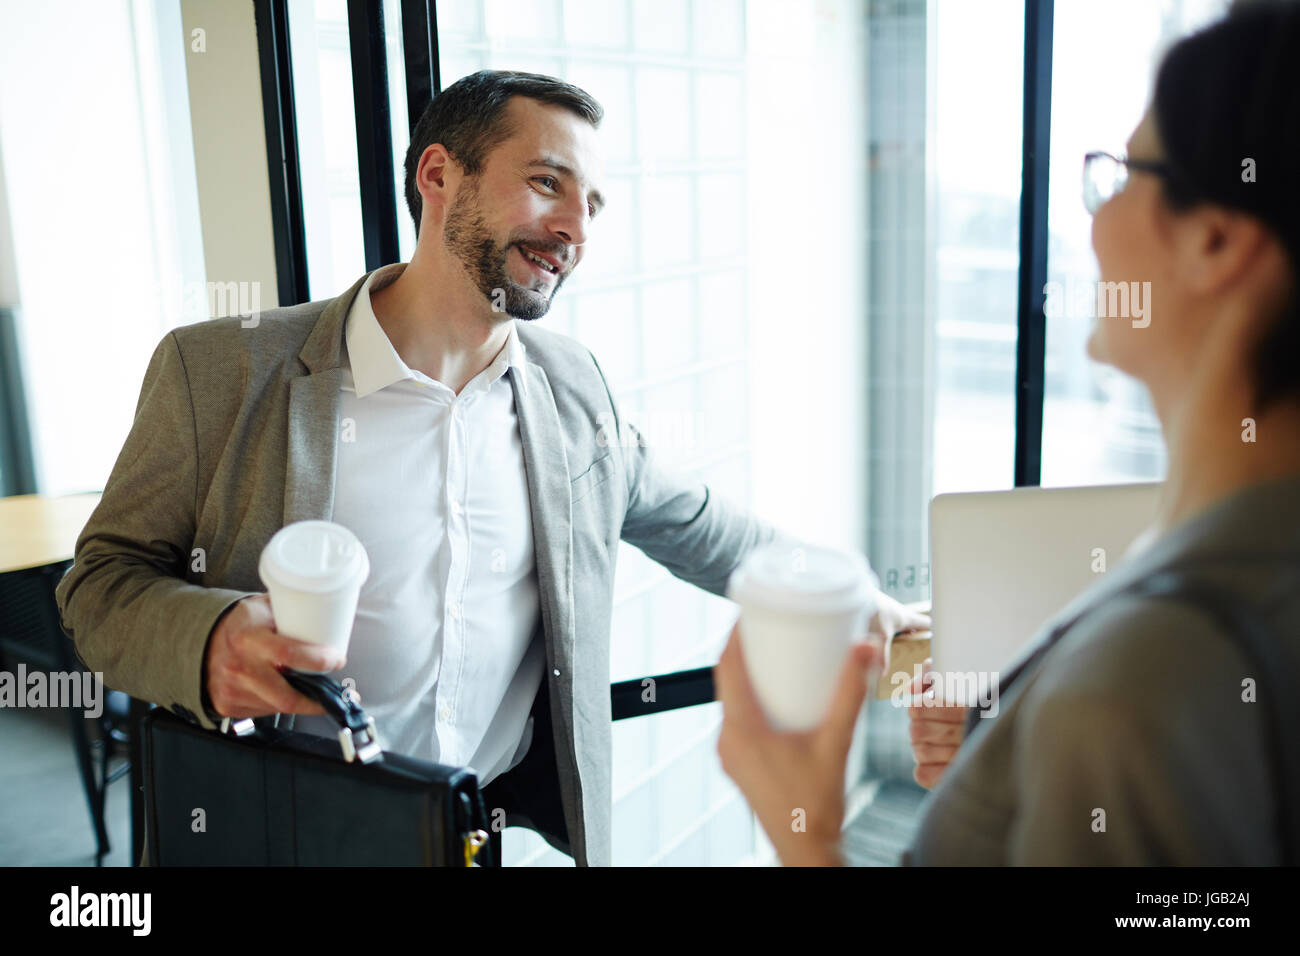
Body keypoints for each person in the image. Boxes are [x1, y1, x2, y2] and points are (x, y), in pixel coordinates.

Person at [55, 69, 924, 867]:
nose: (576, 231)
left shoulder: (575, 391)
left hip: (462, 834)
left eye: (593, 204)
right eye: (547, 182)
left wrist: (860, 603)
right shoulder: (219, 374)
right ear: (438, 176)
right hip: (274, 830)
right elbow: (98, 587)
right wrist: (202, 641)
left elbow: (698, 523)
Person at [715, 0, 1300, 866]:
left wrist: (805, 829)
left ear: (1214, 239)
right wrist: (1014, 735)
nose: (1093, 223)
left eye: (1115, 176)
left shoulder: (1146, 683)